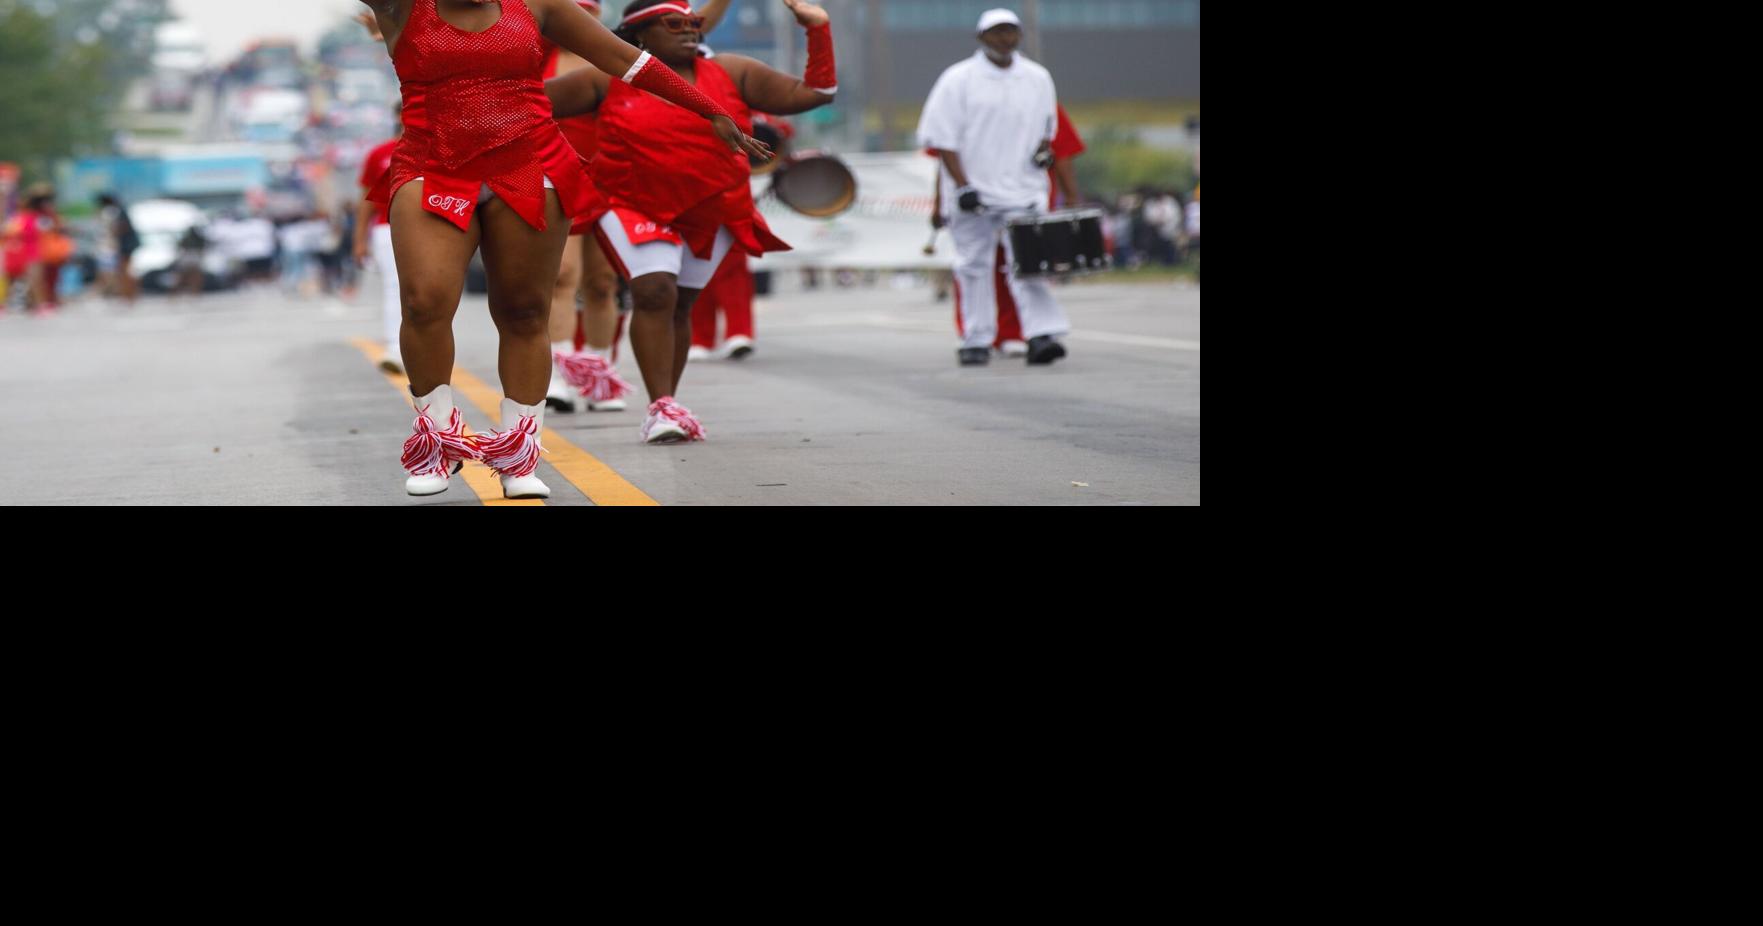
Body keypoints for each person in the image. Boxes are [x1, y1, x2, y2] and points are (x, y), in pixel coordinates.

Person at [356, 0, 772, 497]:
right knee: (424, 303)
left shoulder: (539, 7)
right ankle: (438, 444)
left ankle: (517, 454)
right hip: (433, 163)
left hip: (531, 163)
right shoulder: (401, 7)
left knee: (526, 310)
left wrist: (710, 108)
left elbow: (627, 61)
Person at [546, 0, 836, 443]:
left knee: (680, 303)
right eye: (674, 24)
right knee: (654, 290)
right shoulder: (604, 77)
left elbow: (813, 95)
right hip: (630, 203)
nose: (689, 30)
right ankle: (659, 406)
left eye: (694, 23)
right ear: (639, 34)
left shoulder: (733, 71)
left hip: (713, 208)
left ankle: (669, 399)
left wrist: (818, 30)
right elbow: (529, 106)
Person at [918, 9, 1071, 367]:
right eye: (997, 32)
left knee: (1029, 264)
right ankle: (976, 339)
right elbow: (942, 139)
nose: (1005, 39)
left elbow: (1047, 133)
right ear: (981, 38)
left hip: (1023, 188)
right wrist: (962, 185)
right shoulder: (958, 79)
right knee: (973, 265)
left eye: (1010, 32)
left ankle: (1039, 335)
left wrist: (1042, 156)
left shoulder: (1037, 78)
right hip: (973, 192)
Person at [353, 105, 407, 373]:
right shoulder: (379, 154)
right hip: (386, 228)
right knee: (394, 286)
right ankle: (395, 350)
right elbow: (365, 199)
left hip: (432, 229)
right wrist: (359, 240)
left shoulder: (437, 148)